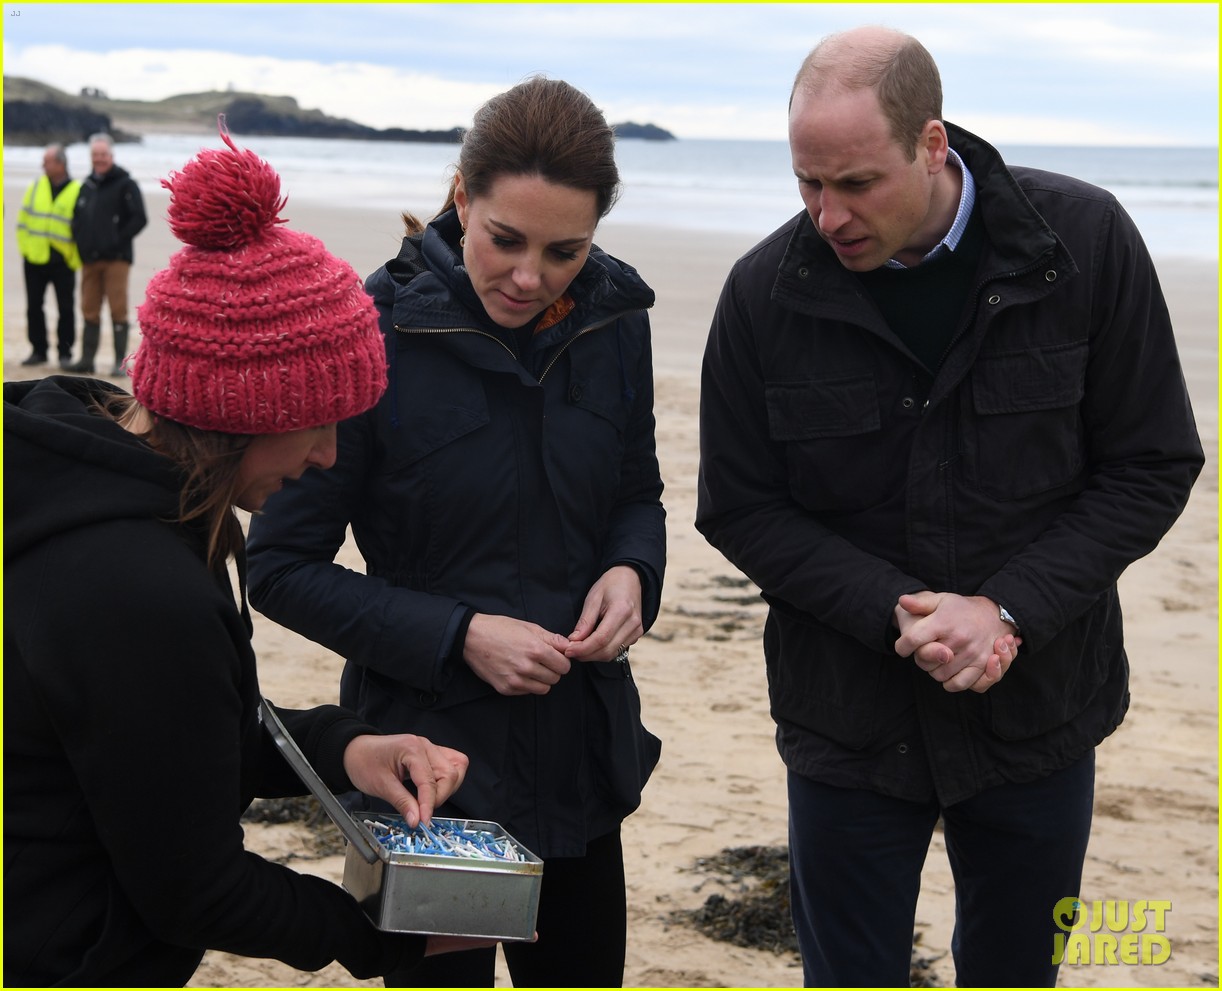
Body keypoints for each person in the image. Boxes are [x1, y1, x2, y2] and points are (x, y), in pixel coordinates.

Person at [695, 26, 1203, 988]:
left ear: (932, 145)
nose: (827, 214)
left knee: (1018, 972)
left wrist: (1007, 610)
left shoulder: (1085, 244)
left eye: (856, 183)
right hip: (848, 714)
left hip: (1040, 706)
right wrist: (894, 607)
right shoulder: (763, 292)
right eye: (807, 182)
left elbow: (1152, 463)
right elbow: (741, 507)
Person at [4, 123, 496, 985]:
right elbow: (191, 887)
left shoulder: (89, 475)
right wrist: (383, 935)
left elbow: (169, 744)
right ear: (240, 409)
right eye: (320, 421)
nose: (329, 457)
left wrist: (348, 749)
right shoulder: (140, 587)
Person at [246, 76, 665, 988]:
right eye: (505, 241)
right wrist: (459, 633)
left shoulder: (614, 326)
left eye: (565, 251)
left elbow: (638, 490)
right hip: (433, 782)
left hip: (583, 769)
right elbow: (276, 567)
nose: (530, 276)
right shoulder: (369, 333)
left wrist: (634, 570)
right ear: (461, 197)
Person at [67, 131, 147, 376]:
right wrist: (80, 243)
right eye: (95, 155)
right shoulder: (86, 186)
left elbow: (139, 218)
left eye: (103, 154)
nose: (99, 159)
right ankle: (87, 360)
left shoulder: (126, 184)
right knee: (88, 308)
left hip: (116, 260)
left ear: (111, 155)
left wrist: (116, 240)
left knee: (117, 309)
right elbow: (76, 219)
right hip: (89, 259)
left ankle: (118, 363)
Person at [15, 143, 81, 368]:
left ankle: (65, 353)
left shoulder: (77, 190)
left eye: (47, 161)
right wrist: (25, 248)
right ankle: (38, 350)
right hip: (34, 258)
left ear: (60, 164)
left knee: (65, 308)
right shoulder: (35, 187)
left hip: (63, 260)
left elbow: (81, 228)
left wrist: (74, 256)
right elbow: (23, 220)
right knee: (34, 306)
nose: (43, 165)